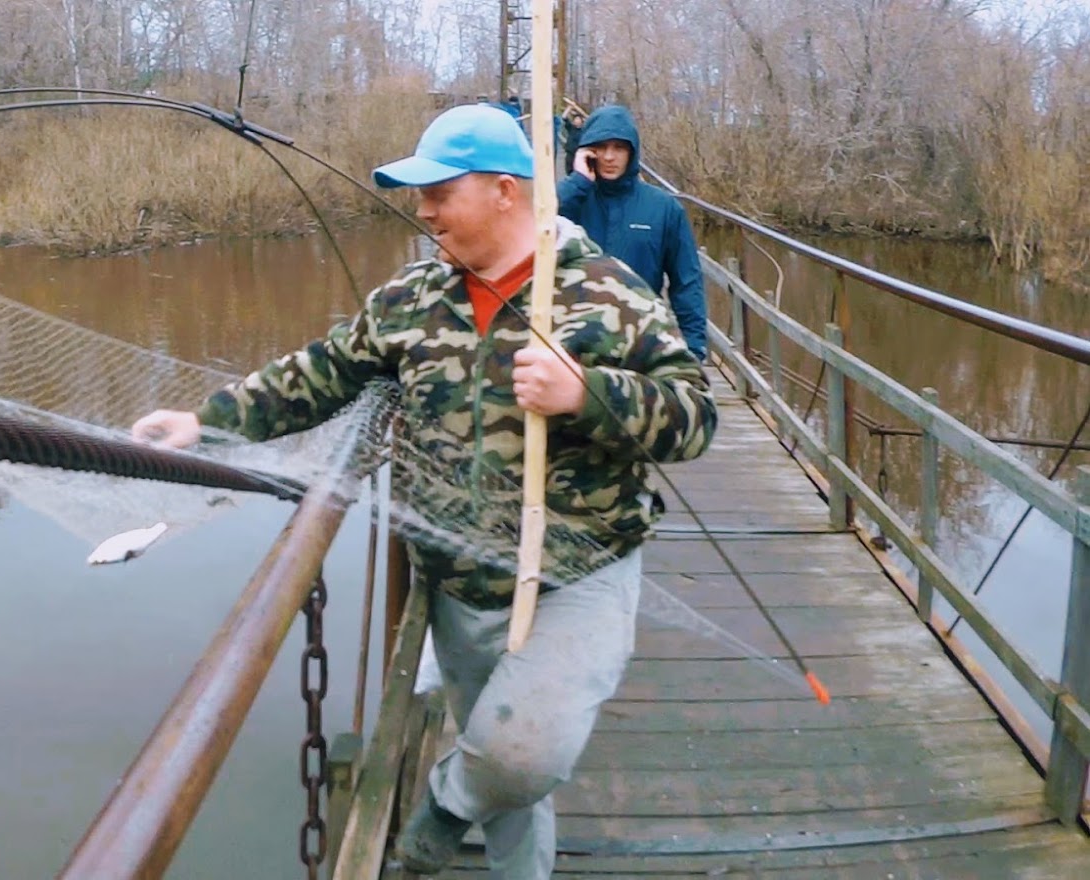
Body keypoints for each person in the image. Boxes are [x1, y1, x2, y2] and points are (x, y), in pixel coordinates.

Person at [132, 104, 715, 878]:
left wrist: (587, 393)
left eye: (440, 190)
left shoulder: (606, 295)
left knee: (520, 751)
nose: (424, 208)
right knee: (503, 772)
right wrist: (202, 423)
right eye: (420, 193)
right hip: (460, 582)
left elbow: (694, 418)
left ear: (504, 192)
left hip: (581, 569)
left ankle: (441, 808)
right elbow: (318, 376)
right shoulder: (409, 300)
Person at [556, 105, 708, 360]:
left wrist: (694, 349)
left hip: (640, 340)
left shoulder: (664, 208)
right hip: (576, 342)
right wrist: (578, 181)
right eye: (600, 147)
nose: (609, 157)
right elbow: (534, 230)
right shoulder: (573, 200)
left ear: (632, 151)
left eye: (618, 148)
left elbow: (687, 283)